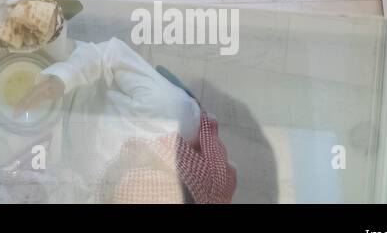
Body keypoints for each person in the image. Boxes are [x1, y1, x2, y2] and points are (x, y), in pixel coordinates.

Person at [16, 37, 236, 203]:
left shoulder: (111, 192)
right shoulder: (169, 112)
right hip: (57, 74)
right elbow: (108, 54)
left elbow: (72, 189)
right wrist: (63, 78)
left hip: (35, 139)